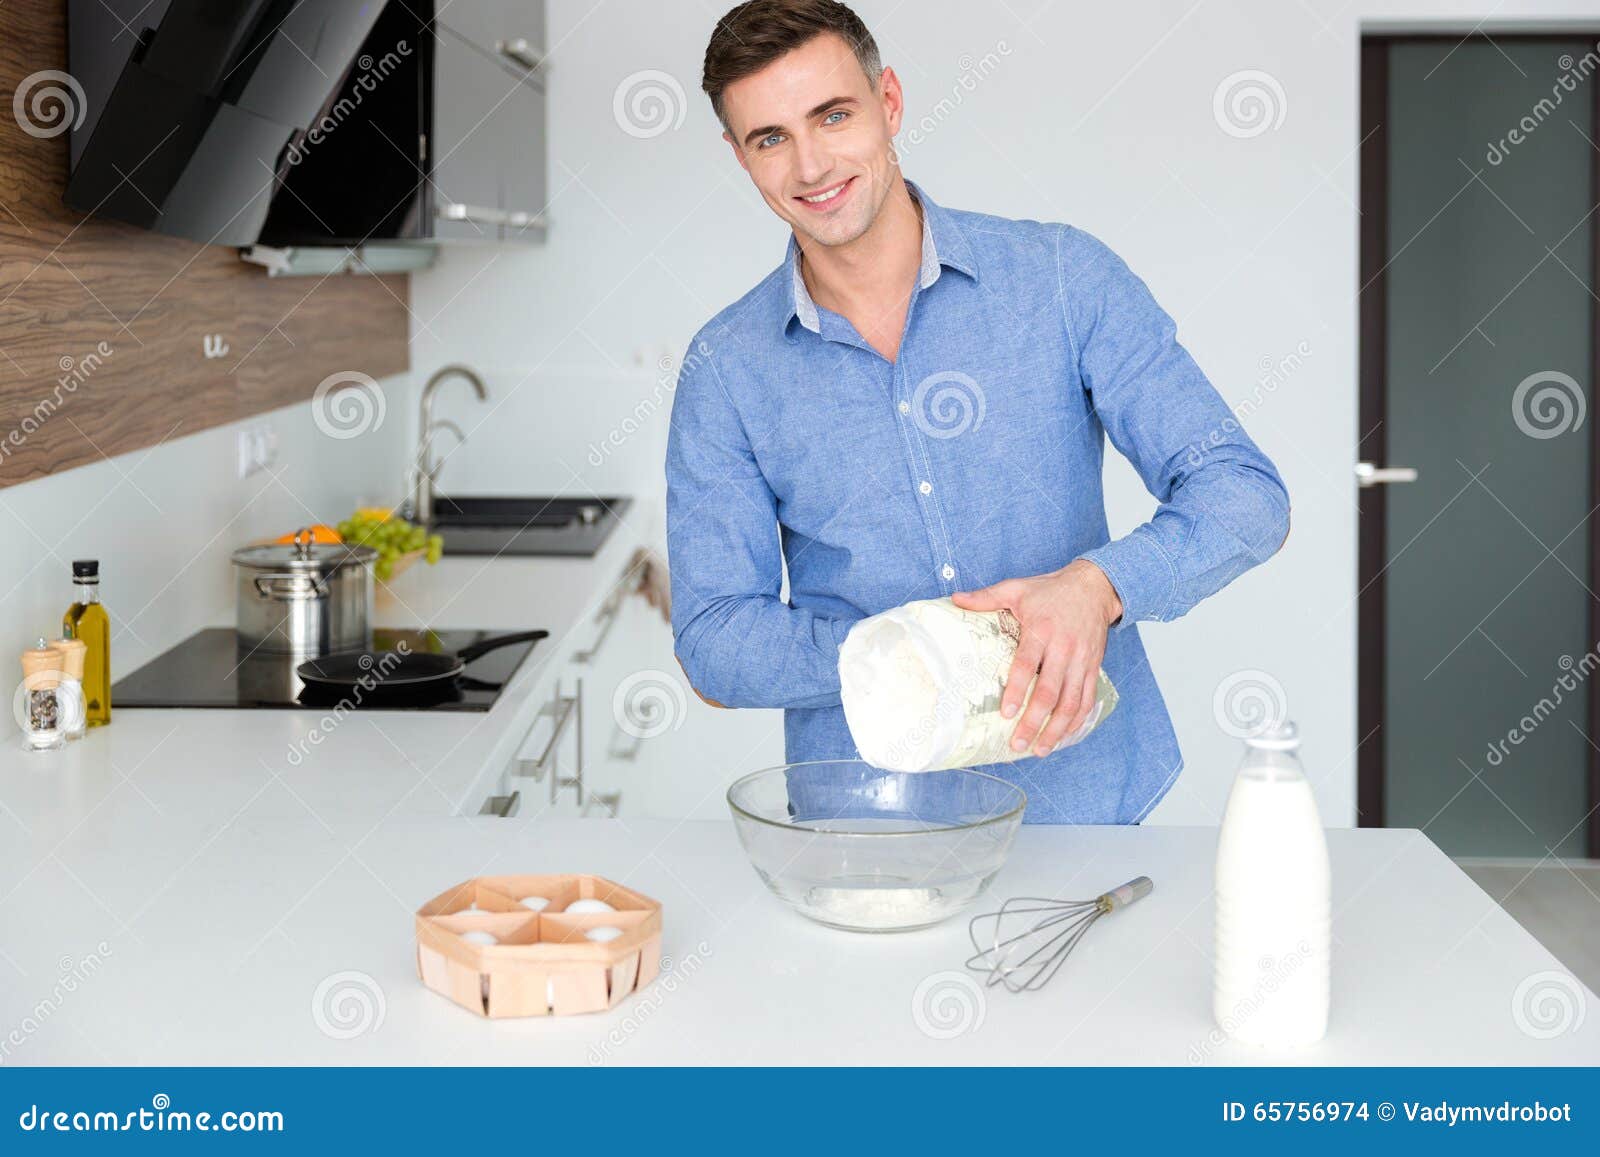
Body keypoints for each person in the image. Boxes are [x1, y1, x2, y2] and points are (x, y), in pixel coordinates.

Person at [665, 0, 1290, 823]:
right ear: (738, 155)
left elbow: (1243, 493)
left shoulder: (1062, 279)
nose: (811, 165)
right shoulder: (725, 370)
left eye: (833, 115)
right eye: (770, 138)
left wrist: (1097, 585)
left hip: (1088, 807)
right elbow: (714, 635)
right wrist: (916, 657)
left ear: (889, 102)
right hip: (868, 825)